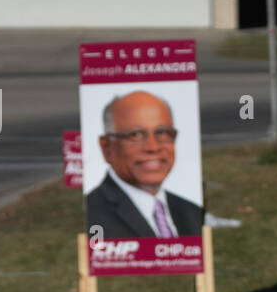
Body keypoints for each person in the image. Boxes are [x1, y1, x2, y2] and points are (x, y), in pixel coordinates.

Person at [86, 90, 203, 239]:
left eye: (162, 132)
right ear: (107, 147)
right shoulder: (90, 217)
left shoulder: (192, 213)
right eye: (135, 135)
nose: (152, 147)